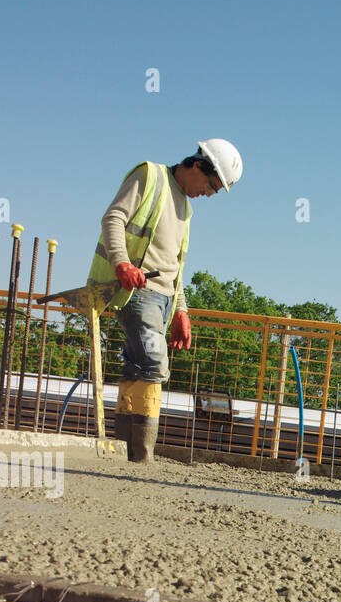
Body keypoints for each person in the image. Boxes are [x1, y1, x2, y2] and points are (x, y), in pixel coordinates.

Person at [88, 138, 243, 463]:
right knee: (154, 364)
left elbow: (175, 266)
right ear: (199, 165)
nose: (209, 194)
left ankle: (125, 454)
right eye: (212, 185)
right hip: (135, 290)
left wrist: (181, 311)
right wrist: (121, 263)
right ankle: (143, 457)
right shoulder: (150, 176)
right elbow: (113, 218)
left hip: (163, 299)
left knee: (136, 366)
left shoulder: (186, 208)